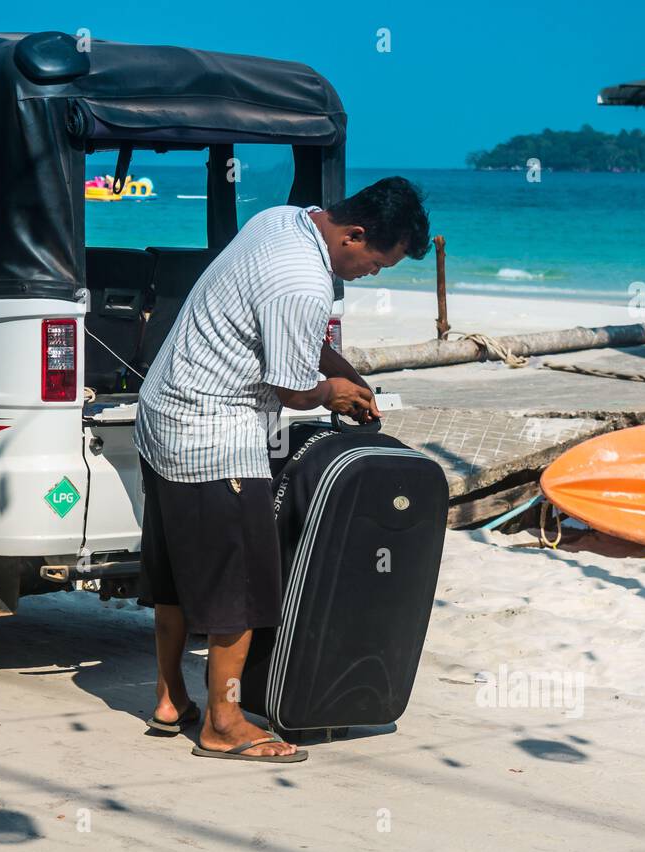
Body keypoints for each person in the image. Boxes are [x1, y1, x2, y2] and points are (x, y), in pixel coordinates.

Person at [133, 177, 431, 762]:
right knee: (238, 589)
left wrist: (342, 368)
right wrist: (337, 393)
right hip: (214, 437)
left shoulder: (282, 221)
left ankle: (171, 700)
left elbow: (283, 330)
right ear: (355, 233)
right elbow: (292, 389)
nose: (374, 274)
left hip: (162, 413)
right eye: (377, 261)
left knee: (174, 572)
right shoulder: (304, 283)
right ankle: (223, 723)